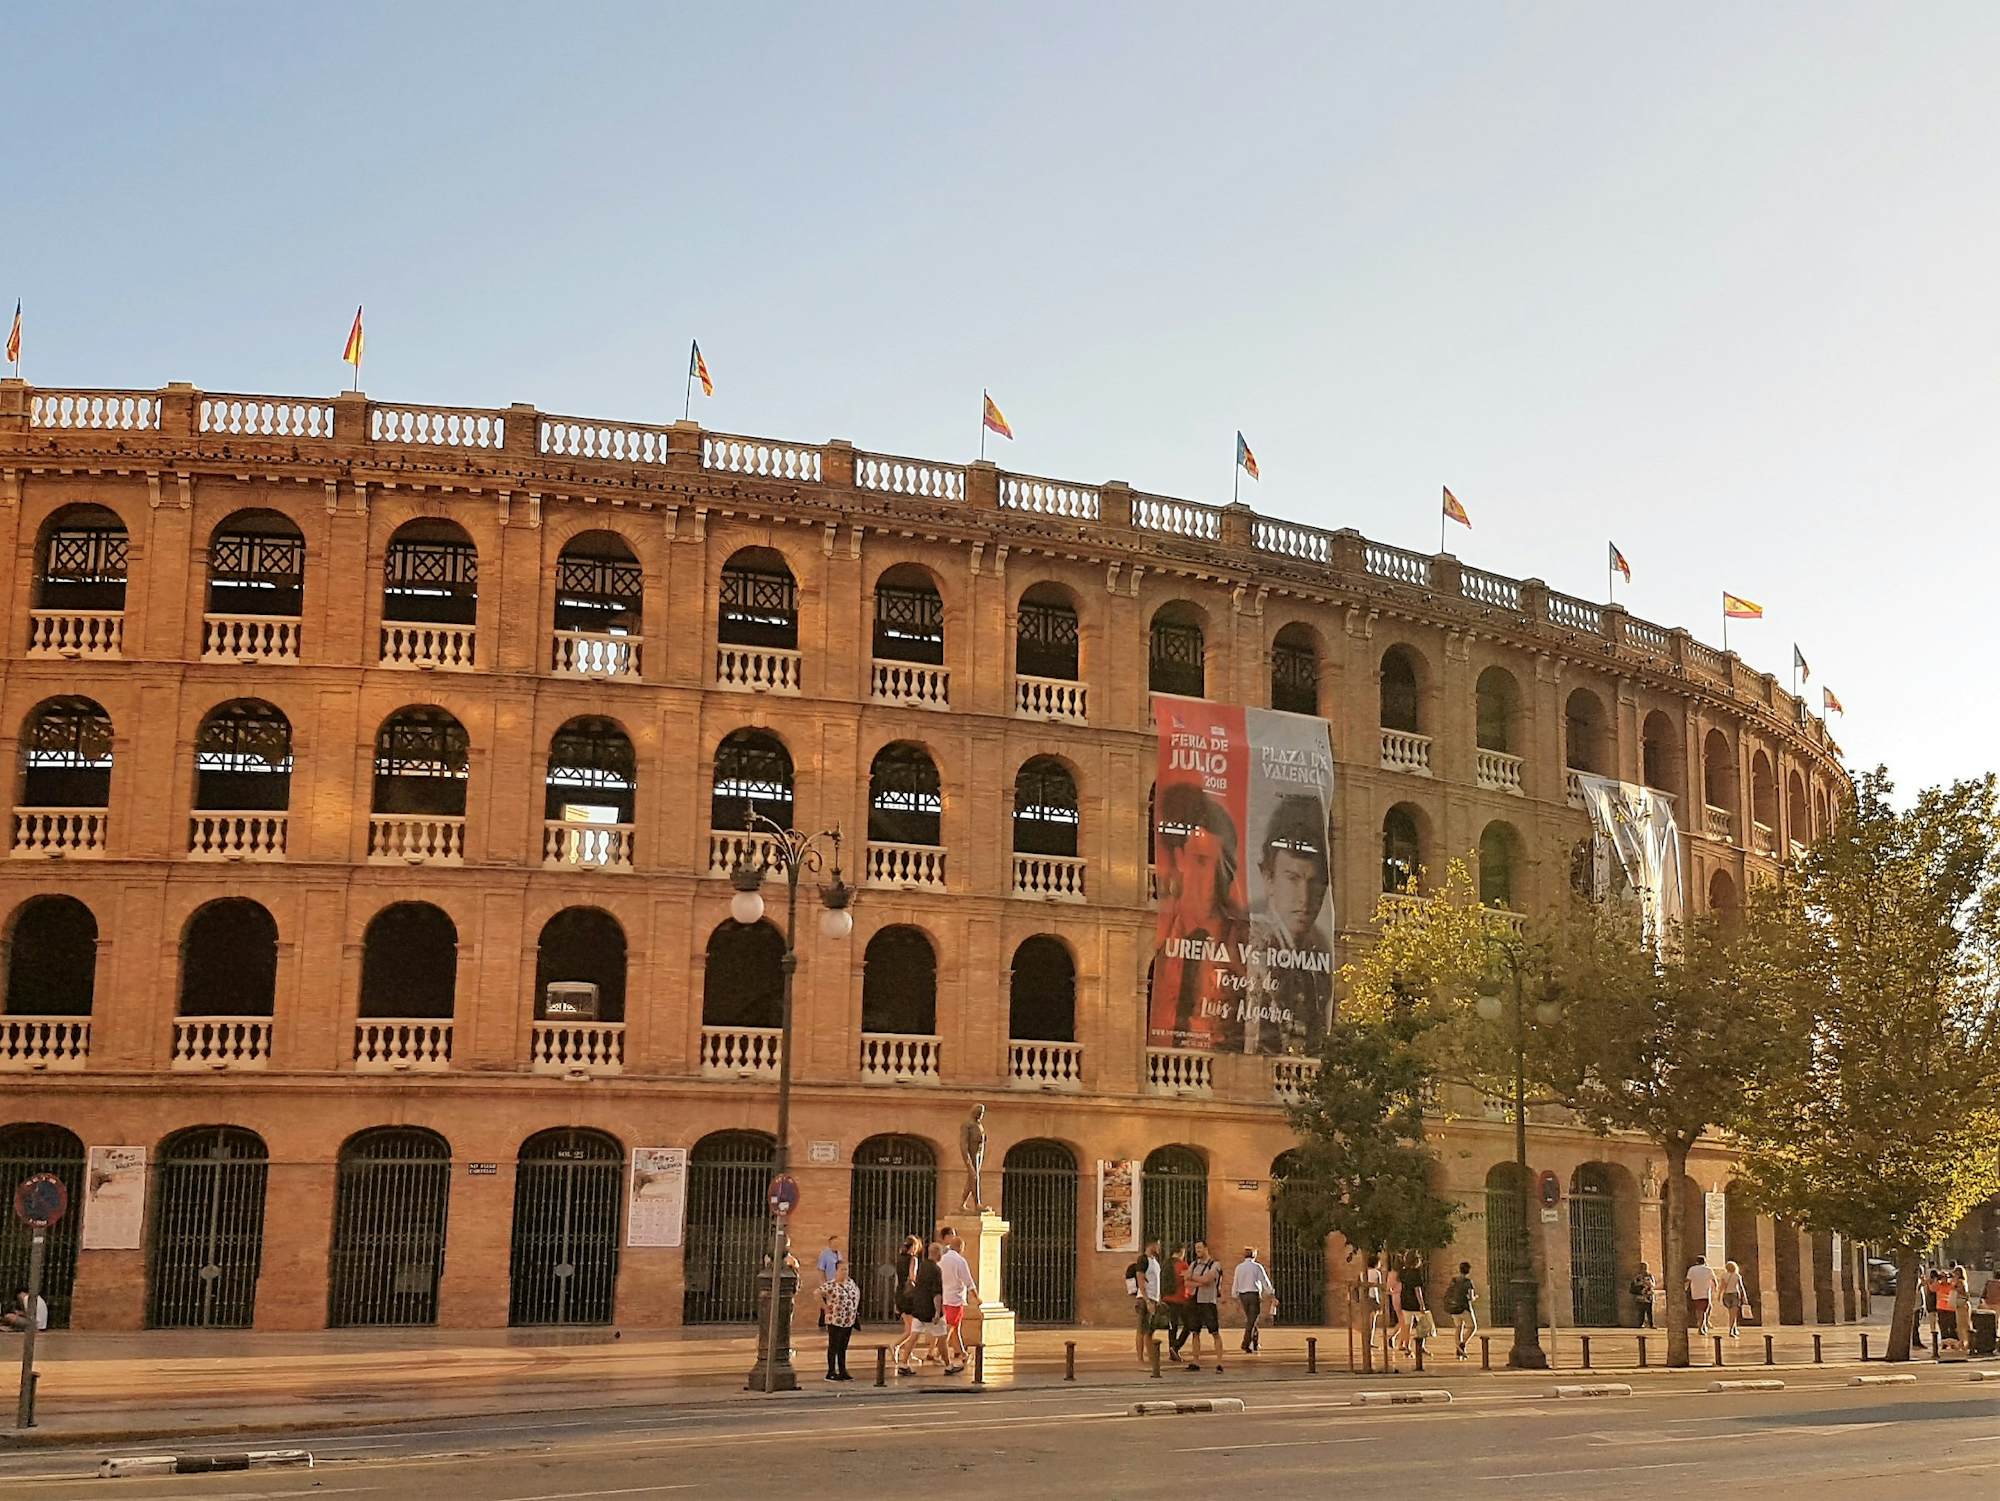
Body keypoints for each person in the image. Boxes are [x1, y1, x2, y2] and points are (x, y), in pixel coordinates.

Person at [1152, 783, 1252, 1051]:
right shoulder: (1156, 939)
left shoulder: (1245, 946)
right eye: (1200, 861)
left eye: (1219, 868)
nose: (1209, 880)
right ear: (1180, 857)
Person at [1243, 794, 1334, 1053]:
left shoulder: (1320, 950)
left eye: (1314, 882)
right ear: (1268, 878)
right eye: (1292, 879)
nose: (1304, 898)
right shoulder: (1250, 946)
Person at [896, 1242, 945, 1376]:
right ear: (937, 1254)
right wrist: (937, 1311)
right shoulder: (935, 1269)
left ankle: (903, 1363)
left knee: (914, 1334)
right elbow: (936, 1292)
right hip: (929, 1309)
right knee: (941, 1336)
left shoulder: (923, 1265)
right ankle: (949, 1365)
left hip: (918, 1307)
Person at [937, 1224, 978, 1375]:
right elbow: (968, 1281)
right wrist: (977, 1297)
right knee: (950, 1329)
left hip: (944, 1298)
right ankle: (942, 1355)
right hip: (955, 1299)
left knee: (955, 1328)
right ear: (960, 1248)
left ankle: (962, 1354)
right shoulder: (960, 1261)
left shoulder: (941, 1258)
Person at [1183, 1240, 1224, 1372]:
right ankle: (1195, 1362)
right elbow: (1186, 1283)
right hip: (1195, 1301)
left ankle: (1219, 1363)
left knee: (1214, 1332)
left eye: (1200, 1248)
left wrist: (1192, 1277)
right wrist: (1200, 1282)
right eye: (1196, 1248)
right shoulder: (1194, 1264)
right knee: (1195, 1332)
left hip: (1208, 1301)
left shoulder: (1215, 1264)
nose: (1198, 1250)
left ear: (1206, 1248)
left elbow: (1208, 1278)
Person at [818, 1257, 859, 1381]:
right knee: (833, 1346)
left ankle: (842, 1370)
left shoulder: (851, 1283)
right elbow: (817, 1293)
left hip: (848, 1320)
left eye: (846, 1269)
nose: (844, 1272)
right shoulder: (831, 1285)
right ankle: (831, 1371)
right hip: (835, 1320)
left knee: (843, 1347)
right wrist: (825, 1307)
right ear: (836, 1271)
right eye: (842, 1269)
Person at [1233, 1247, 1276, 1354]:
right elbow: (1264, 1280)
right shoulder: (1257, 1267)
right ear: (1254, 1255)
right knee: (1252, 1320)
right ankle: (1245, 1343)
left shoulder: (1239, 1267)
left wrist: (1234, 1293)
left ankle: (1255, 1342)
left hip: (1243, 1295)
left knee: (1251, 1319)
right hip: (1253, 1294)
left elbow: (1236, 1281)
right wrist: (1271, 1292)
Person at [892, 1234, 924, 1364]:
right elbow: (912, 1276)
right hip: (909, 1295)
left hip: (900, 1293)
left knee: (908, 1327)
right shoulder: (913, 1259)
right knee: (912, 1329)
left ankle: (908, 1353)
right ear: (913, 1247)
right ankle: (895, 1345)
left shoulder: (899, 1259)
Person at [1161, 1244, 1193, 1360]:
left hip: (1167, 1298)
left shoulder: (1166, 1264)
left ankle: (1172, 1351)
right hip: (1180, 1298)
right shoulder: (1182, 1265)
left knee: (1172, 1326)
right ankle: (1175, 1347)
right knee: (1189, 1325)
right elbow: (1188, 1280)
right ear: (1181, 1252)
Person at [1133, 1240, 1162, 1366]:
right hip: (1145, 1299)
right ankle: (1140, 1358)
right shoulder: (1143, 1260)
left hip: (1153, 1299)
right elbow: (1140, 1280)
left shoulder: (1155, 1261)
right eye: (1158, 1244)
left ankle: (1151, 1356)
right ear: (1152, 1244)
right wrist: (1147, 1300)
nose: (1159, 1247)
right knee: (1141, 1329)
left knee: (1149, 1330)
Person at [1443, 1261, 1478, 1360]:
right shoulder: (1468, 1282)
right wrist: (1475, 1297)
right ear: (1468, 1271)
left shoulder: (1454, 1280)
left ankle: (1458, 1349)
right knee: (1472, 1327)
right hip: (1464, 1308)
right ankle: (1462, 1344)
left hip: (1453, 1307)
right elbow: (1471, 1297)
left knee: (1458, 1327)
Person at [1398, 1251, 1428, 1356]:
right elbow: (1417, 1290)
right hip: (1414, 1302)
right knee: (1423, 1325)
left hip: (1405, 1300)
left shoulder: (1403, 1272)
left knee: (1407, 1325)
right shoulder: (1416, 1273)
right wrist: (1422, 1304)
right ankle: (1421, 1346)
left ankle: (1407, 1347)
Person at [1685, 1255, 1716, 1337]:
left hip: (1695, 1293)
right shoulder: (1708, 1269)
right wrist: (1714, 1289)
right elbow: (1714, 1280)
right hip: (1705, 1293)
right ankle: (1701, 1327)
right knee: (1704, 1310)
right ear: (1704, 1261)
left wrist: (1685, 1289)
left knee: (1699, 1310)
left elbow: (1688, 1280)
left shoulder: (1692, 1269)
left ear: (1696, 1262)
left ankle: (1701, 1324)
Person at [815, 1236, 842, 1328]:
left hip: (837, 1283)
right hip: (828, 1283)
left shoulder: (839, 1254)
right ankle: (823, 1324)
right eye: (834, 1243)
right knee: (826, 1303)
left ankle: (831, 1322)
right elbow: (821, 1270)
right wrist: (823, 1283)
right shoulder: (825, 1254)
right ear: (830, 1244)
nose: (836, 1245)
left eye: (837, 1243)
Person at [1718, 1259, 1746, 1338]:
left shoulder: (1724, 1275)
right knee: (1733, 1314)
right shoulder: (1737, 1276)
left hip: (1726, 1295)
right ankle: (1731, 1330)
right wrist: (1744, 1297)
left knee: (1731, 1314)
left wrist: (1719, 1295)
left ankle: (1734, 1329)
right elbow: (1741, 1287)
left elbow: (1722, 1286)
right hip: (1734, 1295)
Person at [1631, 1263, 1657, 1329]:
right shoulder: (1637, 1277)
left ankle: (1651, 1324)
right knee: (1641, 1311)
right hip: (1641, 1296)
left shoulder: (1650, 1275)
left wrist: (1649, 1284)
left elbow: (1653, 1284)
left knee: (1649, 1311)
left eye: (1645, 1268)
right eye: (1642, 1268)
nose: (1644, 1269)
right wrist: (1641, 1283)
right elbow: (1634, 1284)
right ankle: (1641, 1324)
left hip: (1648, 1296)